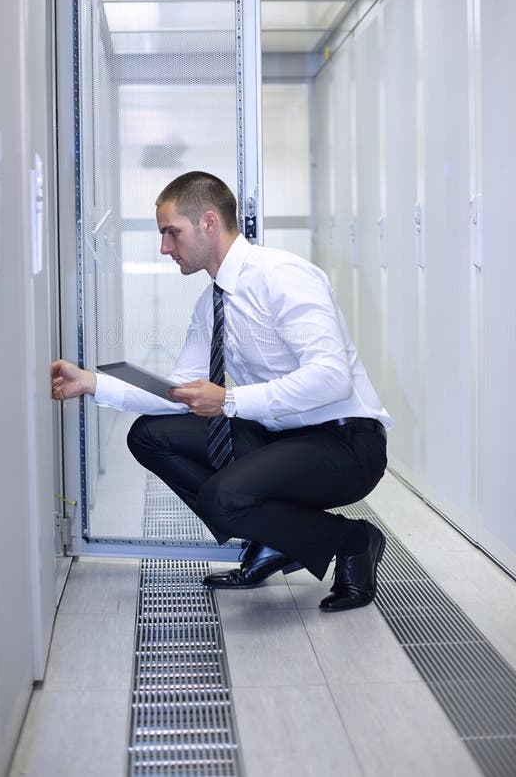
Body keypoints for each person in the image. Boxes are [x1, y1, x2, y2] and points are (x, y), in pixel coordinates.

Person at [51, 171, 391, 611]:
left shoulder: (282, 276)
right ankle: (279, 538)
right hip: (280, 437)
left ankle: (353, 542)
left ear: (209, 222)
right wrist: (92, 383)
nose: (164, 248)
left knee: (222, 498)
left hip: (345, 443)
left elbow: (331, 377)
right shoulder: (212, 302)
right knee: (149, 435)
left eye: (171, 233)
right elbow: (182, 392)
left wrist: (230, 401)